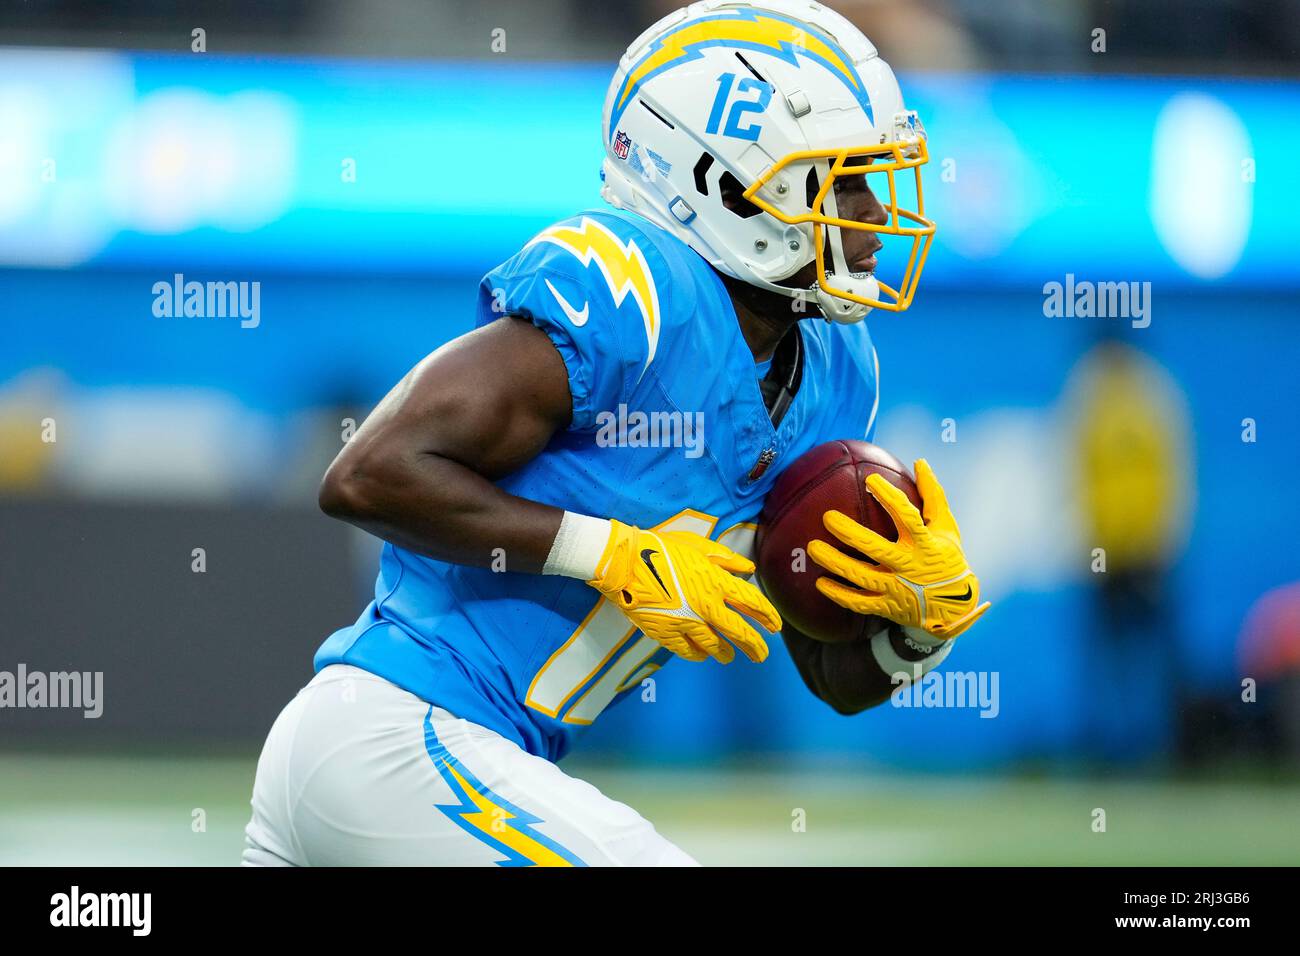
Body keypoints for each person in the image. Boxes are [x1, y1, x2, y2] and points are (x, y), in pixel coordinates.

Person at [243, 0, 987, 867]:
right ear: (727, 184)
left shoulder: (834, 373)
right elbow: (367, 475)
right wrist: (607, 554)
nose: (869, 216)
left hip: (451, 765)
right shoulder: (635, 295)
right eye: (841, 180)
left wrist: (917, 630)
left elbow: (830, 676)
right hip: (395, 737)